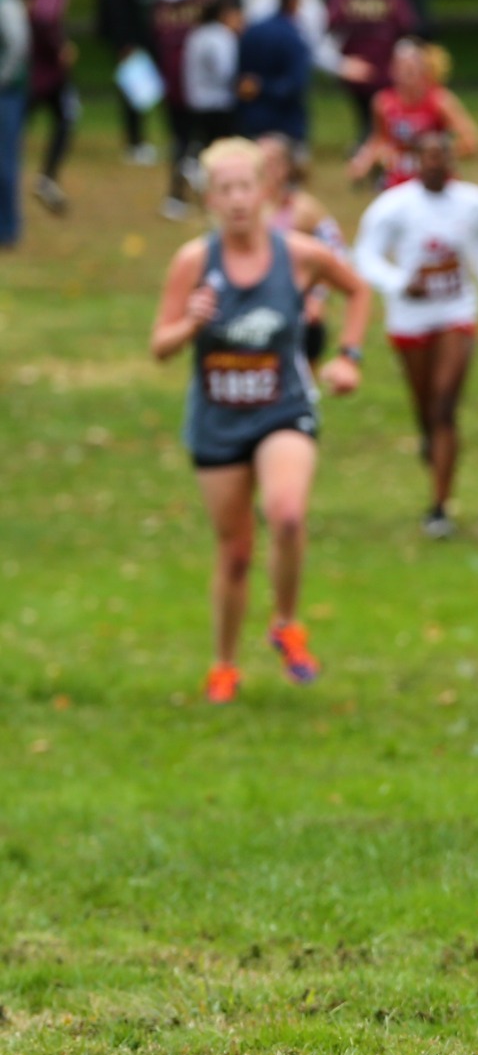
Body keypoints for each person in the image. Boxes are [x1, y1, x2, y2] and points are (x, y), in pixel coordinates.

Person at [149, 137, 373, 704]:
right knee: (236, 551)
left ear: (265, 191)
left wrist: (348, 357)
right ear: (209, 199)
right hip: (218, 420)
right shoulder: (193, 262)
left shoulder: (297, 254)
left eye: (245, 187)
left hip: (283, 409)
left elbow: (358, 289)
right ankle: (224, 664)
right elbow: (160, 345)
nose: (237, 199)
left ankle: (286, 623)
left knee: (288, 513)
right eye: (224, 190)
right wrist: (190, 323)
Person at [355, 130, 478, 538]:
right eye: (428, 157)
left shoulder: (474, 202)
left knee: (444, 404)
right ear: (416, 162)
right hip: (410, 318)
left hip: (457, 312)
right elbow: (365, 256)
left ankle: (439, 506)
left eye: (443, 156)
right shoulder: (393, 207)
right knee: (425, 407)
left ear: (453, 161)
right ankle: (430, 440)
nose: (436, 164)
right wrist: (401, 283)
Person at [327, 0, 418, 148]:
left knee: (366, 117)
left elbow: (332, 20)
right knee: (381, 116)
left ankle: (364, 151)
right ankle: (371, 154)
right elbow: (406, 20)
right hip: (384, 65)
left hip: (354, 64)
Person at [257, 132, 345, 365]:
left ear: (287, 167)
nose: (266, 169)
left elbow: (336, 250)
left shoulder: (303, 208)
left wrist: (317, 297)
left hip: (298, 310)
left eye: (272, 162)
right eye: (259, 162)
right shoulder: (246, 208)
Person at [347, 37, 478, 187]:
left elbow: (471, 142)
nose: (407, 72)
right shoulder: (383, 102)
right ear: (392, 70)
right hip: (398, 183)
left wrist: (437, 157)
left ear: (424, 69)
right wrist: (364, 160)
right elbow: (380, 139)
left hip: (436, 182)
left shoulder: (439, 100)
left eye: (412, 67)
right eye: (402, 67)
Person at [6, 0, 73, 216]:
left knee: (15, 125)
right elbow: (46, 18)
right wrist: (59, 47)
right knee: (65, 116)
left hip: (16, 64)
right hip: (44, 65)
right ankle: (46, 177)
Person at [153, 0, 217, 219]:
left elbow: (155, 34)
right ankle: (203, 190)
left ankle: (176, 195)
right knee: (203, 139)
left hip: (170, 76)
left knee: (179, 139)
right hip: (199, 80)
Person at [97, 0, 161, 165]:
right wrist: (124, 41)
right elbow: (116, 7)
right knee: (134, 92)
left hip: (157, 38)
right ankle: (135, 142)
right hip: (132, 41)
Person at [236, 0, 313, 143]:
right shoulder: (293, 37)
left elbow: (242, 78)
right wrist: (264, 87)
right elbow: (295, 84)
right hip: (286, 121)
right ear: (294, 2)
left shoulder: (253, 31)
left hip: (252, 119)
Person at [183, 0, 242, 155]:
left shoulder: (196, 34)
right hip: (219, 102)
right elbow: (226, 71)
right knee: (220, 151)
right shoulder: (222, 36)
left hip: (196, 100)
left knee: (201, 146)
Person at [0, 0, 24, 248]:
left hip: (6, 94)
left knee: (4, 162)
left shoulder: (6, 4)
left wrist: (2, 79)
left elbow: (17, 46)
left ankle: (7, 228)